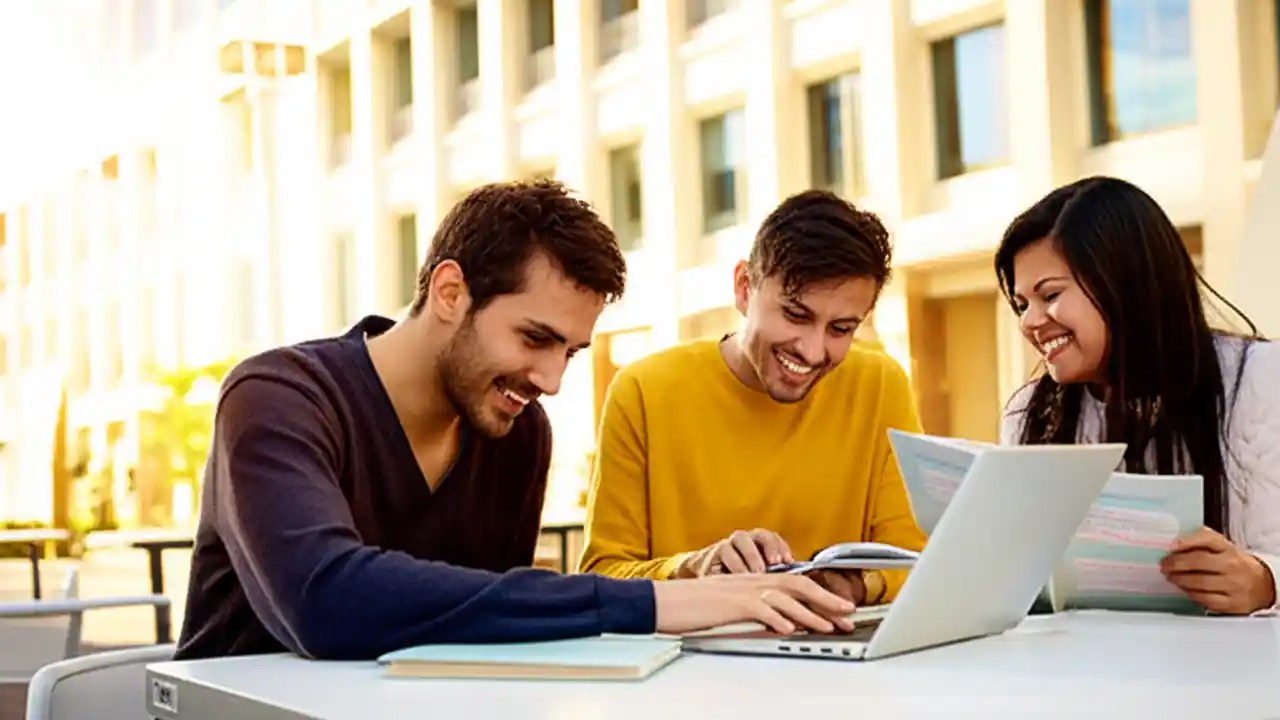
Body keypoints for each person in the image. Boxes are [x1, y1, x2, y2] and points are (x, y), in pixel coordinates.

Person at [174, 180, 857, 661]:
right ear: (450, 292)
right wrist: (662, 602)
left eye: (570, 351)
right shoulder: (279, 397)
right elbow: (325, 602)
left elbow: (485, 619)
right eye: (534, 339)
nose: (552, 380)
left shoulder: (516, 431)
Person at [579, 190, 927, 607]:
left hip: (839, 658)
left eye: (841, 329)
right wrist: (695, 568)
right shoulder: (642, 391)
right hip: (687, 666)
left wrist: (853, 585)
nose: (813, 352)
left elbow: (915, 561)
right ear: (745, 287)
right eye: (796, 315)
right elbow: (604, 574)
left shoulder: (881, 384)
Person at [995, 175, 1280, 616]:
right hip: (1083, 676)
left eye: (1049, 294)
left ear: (1123, 281)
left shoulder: (1261, 380)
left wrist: (1267, 582)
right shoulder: (1028, 416)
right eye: (1021, 304)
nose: (1031, 322)